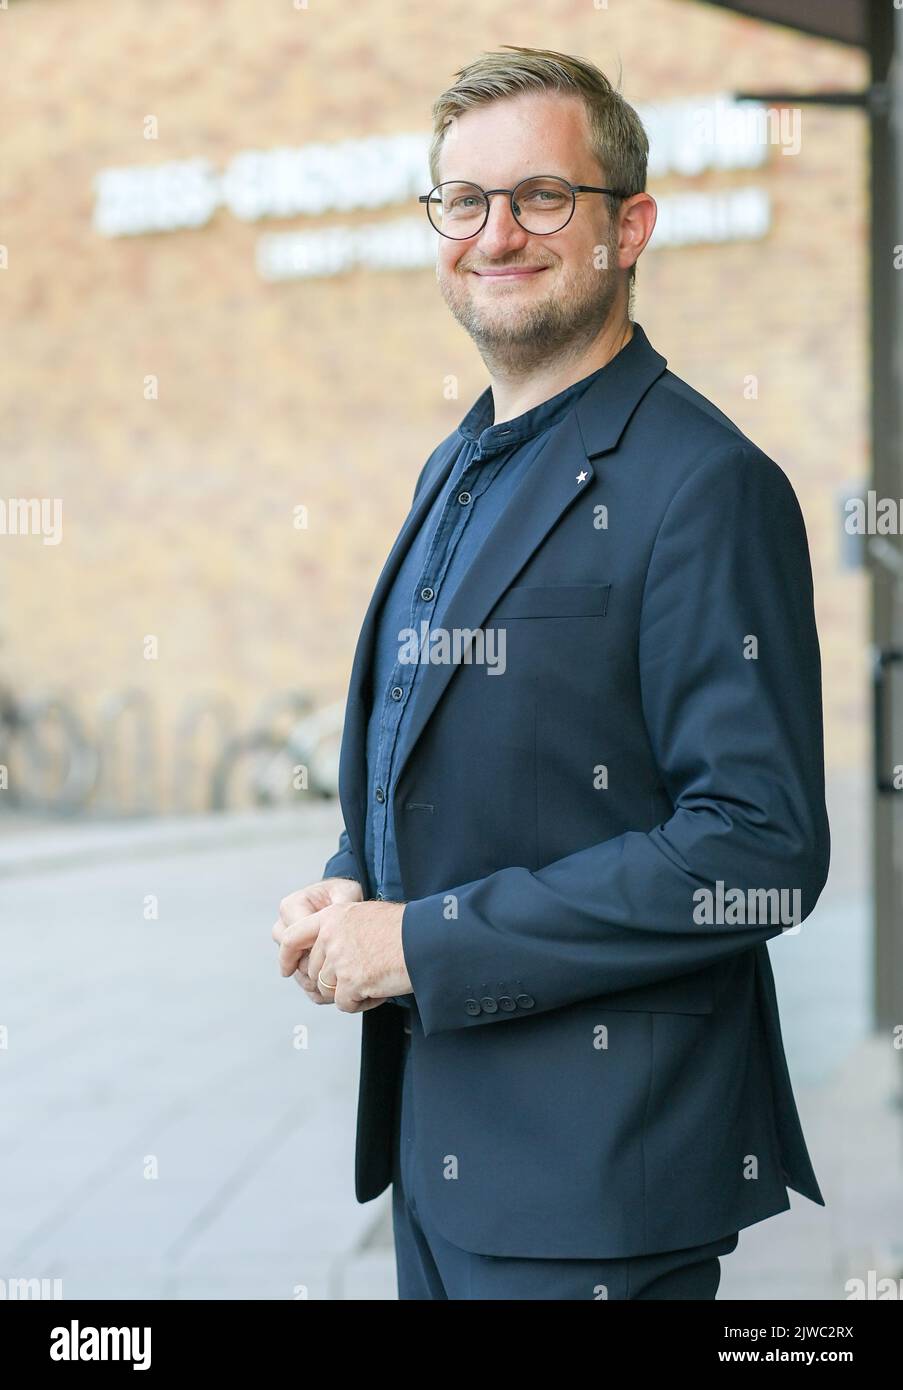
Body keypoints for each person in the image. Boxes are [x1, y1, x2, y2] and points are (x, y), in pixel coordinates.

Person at [272, 45, 830, 1301]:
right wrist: (347, 879)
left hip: (597, 1187)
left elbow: (759, 849)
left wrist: (419, 943)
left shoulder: (705, 484)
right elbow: (444, 753)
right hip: (439, 1149)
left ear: (627, 227)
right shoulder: (457, 461)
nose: (495, 232)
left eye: (540, 197)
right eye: (461, 202)